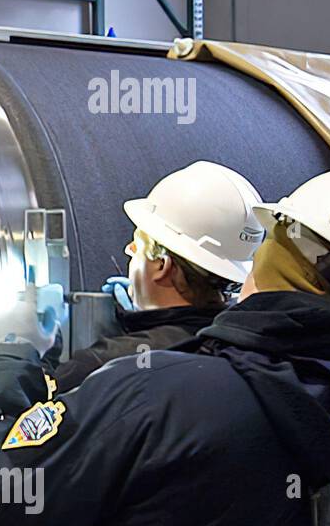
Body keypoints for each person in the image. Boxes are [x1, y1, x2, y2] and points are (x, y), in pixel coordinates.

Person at [0, 168, 330, 526]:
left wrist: (9, 357)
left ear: (279, 249)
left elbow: (3, 492)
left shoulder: (156, 392)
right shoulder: (299, 389)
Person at [52, 162, 264, 392]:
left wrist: (18, 362)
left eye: (138, 245)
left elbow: (28, 420)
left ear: (162, 265)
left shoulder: (101, 365)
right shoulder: (250, 348)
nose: (129, 249)